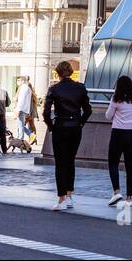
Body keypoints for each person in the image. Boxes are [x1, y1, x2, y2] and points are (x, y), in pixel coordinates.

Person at [42, 61, 92, 211]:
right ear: (70, 72)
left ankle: (61, 197)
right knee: (70, 161)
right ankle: (69, 195)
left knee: (60, 163)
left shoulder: (54, 89)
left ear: (58, 73)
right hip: (75, 128)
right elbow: (88, 110)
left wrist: (51, 127)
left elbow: (45, 112)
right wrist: (80, 123)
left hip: (60, 127)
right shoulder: (80, 88)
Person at [104, 75, 132, 211]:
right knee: (130, 167)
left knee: (113, 163)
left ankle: (117, 192)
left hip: (118, 134)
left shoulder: (116, 99)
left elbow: (108, 116)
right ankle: (129, 199)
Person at [15, 76, 37, 145]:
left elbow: (21, 100)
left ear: (22, 81)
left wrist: (18, 109)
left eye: (19, 80)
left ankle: (21, 139)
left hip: (21, 109)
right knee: (21, 125)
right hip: (25, 110)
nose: (18, 82)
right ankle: (25, 136)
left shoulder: (23, 88)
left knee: (21, 125)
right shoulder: (28, 89)